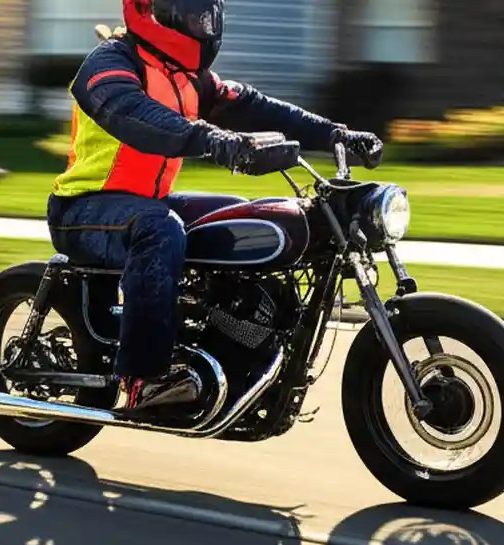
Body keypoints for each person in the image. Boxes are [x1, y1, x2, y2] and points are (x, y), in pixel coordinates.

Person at [47, 0, 382, 411]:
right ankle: (144, 379)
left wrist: (337, 134)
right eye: (193, 15)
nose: (203, 26)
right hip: (83, 208)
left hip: (145, 204)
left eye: (208, 16)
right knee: (161, 229)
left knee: (242, 216)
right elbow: (135, 115)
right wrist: (213, 139)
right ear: (155, 12)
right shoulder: (110, 63)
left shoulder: (189, 78)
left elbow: (256, 106)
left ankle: (237, 337)